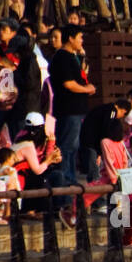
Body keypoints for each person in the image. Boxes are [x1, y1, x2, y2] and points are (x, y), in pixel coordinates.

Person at [48, 26, 94, 188]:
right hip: (69, 109)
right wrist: (86, 89)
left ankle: (69, 178)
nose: (81, 41)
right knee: (67, 146)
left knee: (73, 147)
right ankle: (66, 181)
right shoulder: (62, 57)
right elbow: (68, 83)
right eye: (80, 37)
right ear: (71, 38)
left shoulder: (73, 56)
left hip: (76, 110)